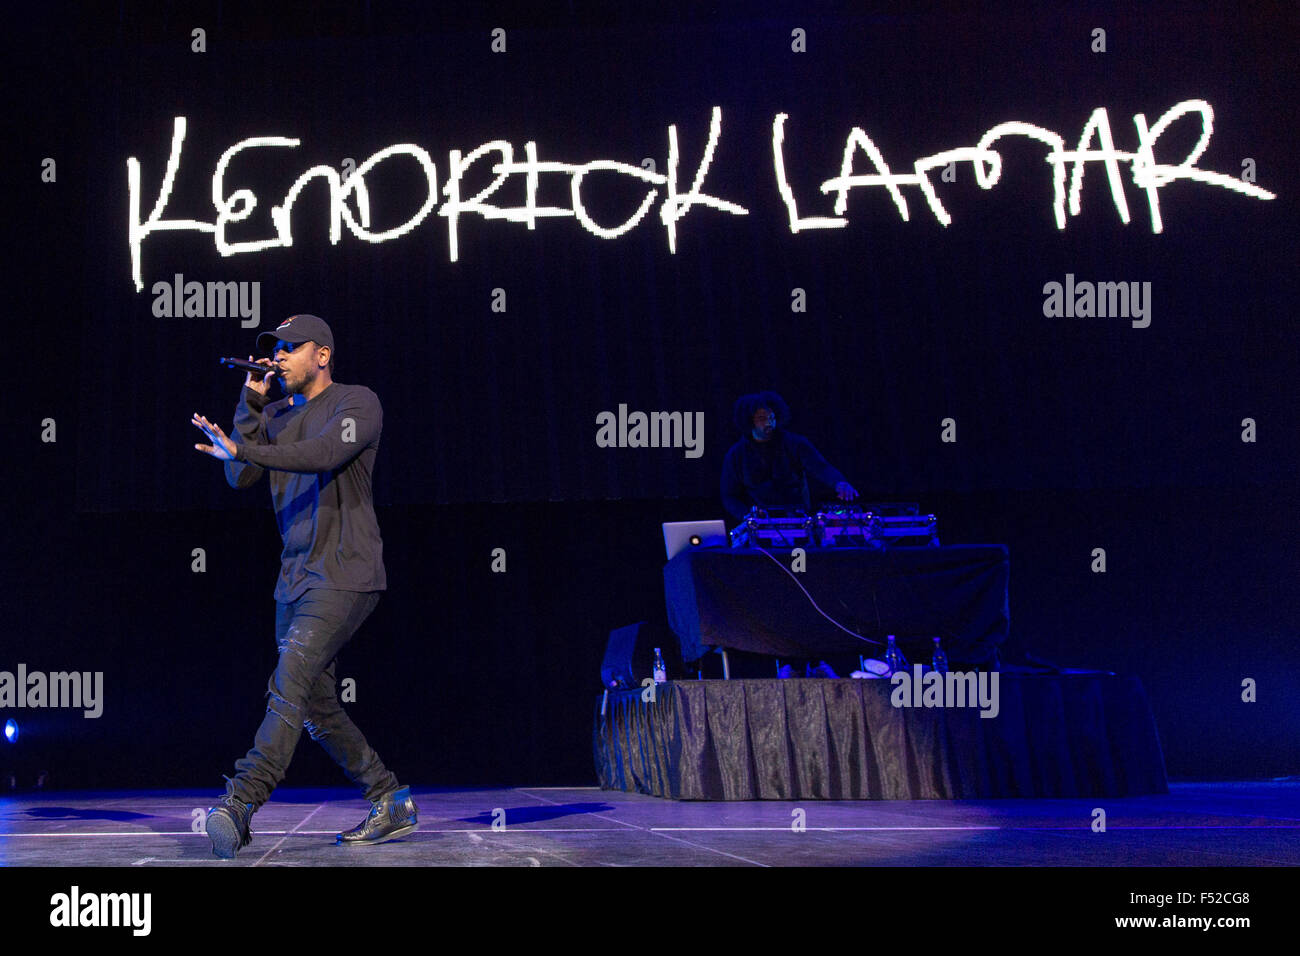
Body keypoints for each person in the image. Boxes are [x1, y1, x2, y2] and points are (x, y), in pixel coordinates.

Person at [190, 313, 417, 859]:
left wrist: (247, 449)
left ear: (323, 354)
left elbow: (322, 455)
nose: (280, 355)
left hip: (345, 572)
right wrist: (250, 403)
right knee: (314, 704)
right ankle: (389, 799)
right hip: (293, 581)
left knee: (287, 682)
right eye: (275, 349)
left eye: (292, 347)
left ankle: (240, 803)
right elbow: (239, 475)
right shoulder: (273, 416)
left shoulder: (357, 403)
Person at [720, 390, 859, 521]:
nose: (769, 423)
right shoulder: (736, 455)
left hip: (798, 515)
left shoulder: (795, 443)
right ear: (749, 421)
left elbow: (820, 468)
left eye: (772, 418)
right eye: (762, 419)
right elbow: (729, 496)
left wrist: (839, 483)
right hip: (761, 521)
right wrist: (747, 515)